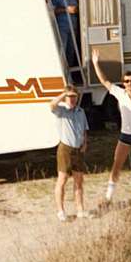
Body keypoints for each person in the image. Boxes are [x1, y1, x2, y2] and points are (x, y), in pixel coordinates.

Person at [91, 48, 131, 203]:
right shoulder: (120, 93)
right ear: (123, 83)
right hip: (125, 135)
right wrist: (95, 63)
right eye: (126, 81)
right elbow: (104, 81)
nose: (129, 84)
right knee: (117, 164)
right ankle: (108, 196)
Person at [50, 85, 90, 221]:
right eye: (69, 96)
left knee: (79, 180)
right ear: (65, 97)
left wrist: (85, 143)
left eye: (74, 96)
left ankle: (80, 210)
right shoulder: (61, 110)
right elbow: (51, 105)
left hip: (78, 149)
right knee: (62, 180)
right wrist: (63, 94)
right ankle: (61, 211)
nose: (72, 99)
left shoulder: (81, 111)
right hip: (65, 149)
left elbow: (84, 129)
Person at [51, 0, 79, 67]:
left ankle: (70, 76)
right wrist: (66, 9)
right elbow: (53, 10)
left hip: (73, 28)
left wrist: (76, 10)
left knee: (71, 52)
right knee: (62, 50)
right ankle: (64, 74)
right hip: (62, 28)